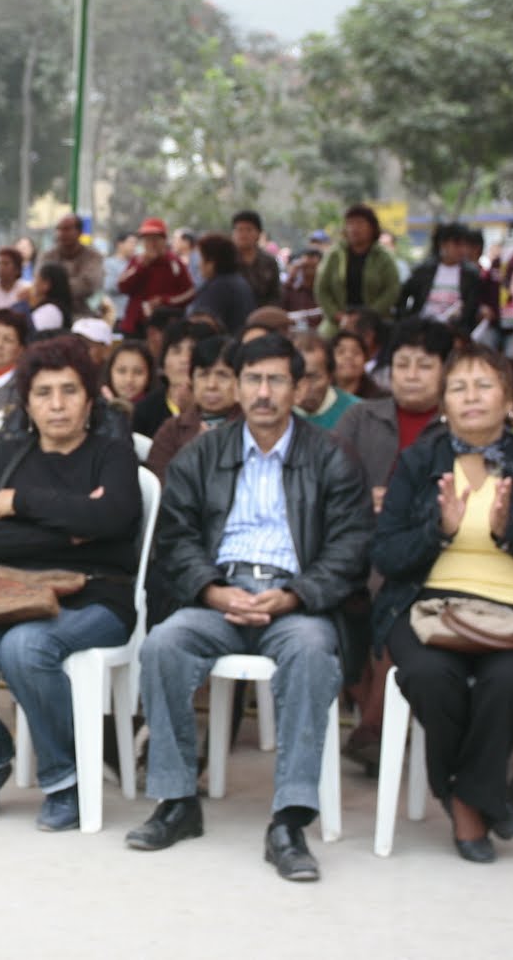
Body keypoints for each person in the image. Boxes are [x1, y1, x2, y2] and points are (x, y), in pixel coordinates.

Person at [130, 333, 371, 881]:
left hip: (297, 602)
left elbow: (351, 547)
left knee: (312, 655)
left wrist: (296, 595)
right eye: (253, 380)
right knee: (164, 645)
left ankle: (289, 818)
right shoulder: (200, 455)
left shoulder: (333, 457)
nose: (264, 393)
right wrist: (212, 590)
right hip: (220, 594)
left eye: (277, 380)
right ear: (237, 386)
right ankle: (176, 802)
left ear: (299, 387)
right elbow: (176, 538)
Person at [372, 344, 513, 863]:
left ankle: (467, 795)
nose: (471, 396)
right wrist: (438, 531)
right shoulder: (419, 460)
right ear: (444, 404)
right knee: (426, 676)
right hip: (429, 609)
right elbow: (387, 554)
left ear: (510, 401)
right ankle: (481, 800)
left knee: (506, 680)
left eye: (484, 385)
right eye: (459, 387)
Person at [0, 335, 143, 830]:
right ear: (26, 403)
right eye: (44, 392)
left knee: (25, 648)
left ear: (89, 399)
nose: (57, 404)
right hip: (3, 588)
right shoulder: (6, 453)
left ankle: (63, 777)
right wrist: (73, 530)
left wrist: (23, 506)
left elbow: (115, 524)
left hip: (94, 593)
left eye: (69, 391)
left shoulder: (112, 454)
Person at [331, 317, 453, 770]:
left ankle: (374, 728)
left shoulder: (455, 429)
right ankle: (373, 719)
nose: (412, 374)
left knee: (394, 588)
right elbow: (327, 483)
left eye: (424, 365)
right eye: (402, 364)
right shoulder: (362, 416)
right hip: (355, 542)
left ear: (444, 371)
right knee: (346, 594)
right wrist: (365, 501)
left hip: (423, 557)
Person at [146, 336, 241, 480]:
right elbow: (161, 485)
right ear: (191, 379)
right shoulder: (172, 430)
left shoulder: (252, 427)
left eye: (223, 375)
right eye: (203, 375)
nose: (211, 385)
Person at [316, 204, 400, 337]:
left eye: (360, 223)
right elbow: (321, 289)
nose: (354, 228)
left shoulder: (384, 256)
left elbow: (392, 290)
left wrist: (367, 316)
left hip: (376, 320)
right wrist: (339, 316)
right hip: (338, 321)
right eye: (350, 223)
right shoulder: (334, 255)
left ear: (372, 227)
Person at [132, 317, 220, 439]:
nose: (185, 359)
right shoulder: (145, 409)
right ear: (164, 361)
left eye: (193, 351)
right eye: (176, 351)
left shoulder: (221, 406)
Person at [117, 217, 194, 338]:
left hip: (164, 326)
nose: (151, 244)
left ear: (164, 240)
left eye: (155, 239)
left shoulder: (174, 263)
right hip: (135, 324)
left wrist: (164, 301)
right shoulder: (137, 261)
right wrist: (141, 267)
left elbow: (189, 292)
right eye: (147, 239)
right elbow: (122, 286)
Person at [397, 222, 481, 331]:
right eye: (457, 244)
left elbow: (470, 310)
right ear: (443, 244)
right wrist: (406, 320)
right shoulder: (424, 270)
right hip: (421, 327)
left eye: (465, 245)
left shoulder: (471, 275)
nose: (462, 250)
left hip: (453, 330)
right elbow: (403, 294)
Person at [186, 233, 256, 337]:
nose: (199, 264)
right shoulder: (236, 281)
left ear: (211, 262)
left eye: (201, 258)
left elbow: (198, 327)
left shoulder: (219, 287)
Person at [37, 213, 103, 318]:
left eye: (67, 229)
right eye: (59, 229)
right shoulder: (48, 256)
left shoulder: (93, 257)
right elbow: (40, 284)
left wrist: (55, 285)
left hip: (82, 313)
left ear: (79, 232)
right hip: (49, 311)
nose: (61, 233)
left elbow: (88, 286)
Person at [291, 331, 358, 431]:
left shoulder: (357, 414)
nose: (305, 387)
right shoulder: (277, 414)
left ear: (330, 376)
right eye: (297, 377)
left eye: (313, 377)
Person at [232, 209, 281, 308]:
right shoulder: (225, 260)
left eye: (249, 229)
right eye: (239, 229)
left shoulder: (269, 262)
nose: (244, 234)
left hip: (263, 317)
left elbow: (276, 295)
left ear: (259, 233)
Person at [100, 340, 154, 412]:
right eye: (122, 371)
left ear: (149, 375)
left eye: (138, 372)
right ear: (110, 371)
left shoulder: (156, 411)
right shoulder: (97, 409)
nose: (129, 379)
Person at [331, 330, 385, 401]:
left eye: (356, 352)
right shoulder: (322, 396)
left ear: (365, 360)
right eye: (341, 352)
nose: (349, 356)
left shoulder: (380, 399)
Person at [24, 262, 74, 335]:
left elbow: (28, 334)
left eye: (36, 279)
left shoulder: (51, 311)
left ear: (46, 285)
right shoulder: (44, 306)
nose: (33, 284)